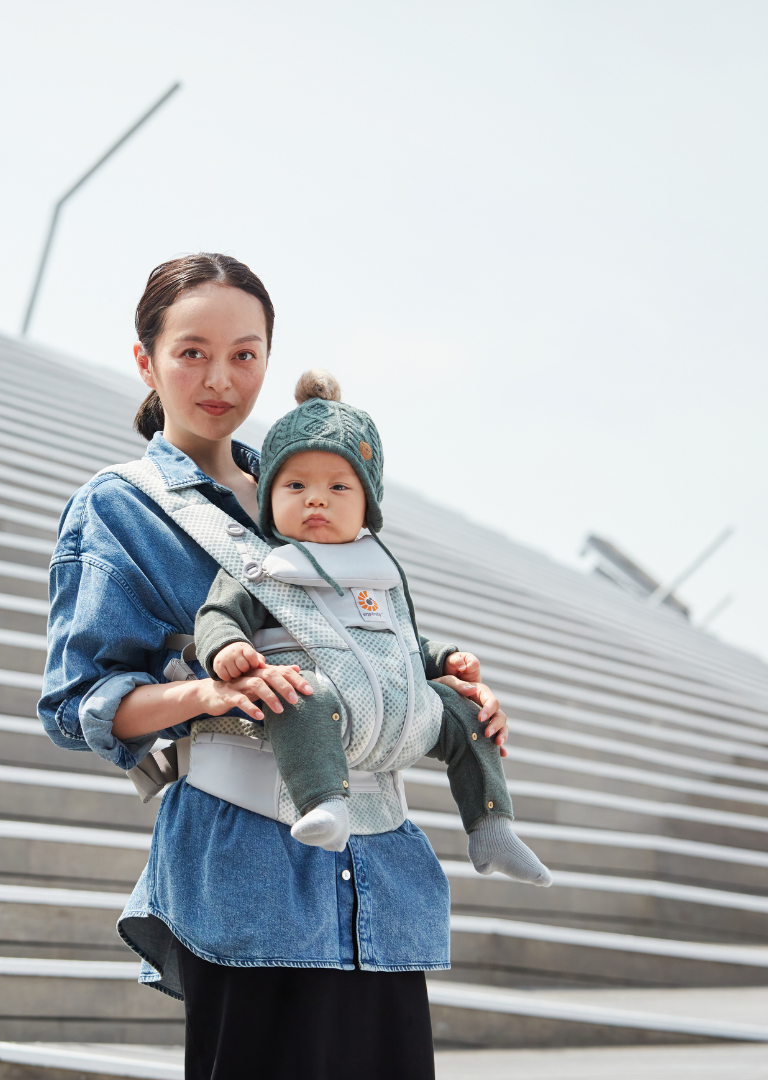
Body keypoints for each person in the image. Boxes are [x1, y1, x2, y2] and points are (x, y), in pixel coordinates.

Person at [38, 253, 516, 1080]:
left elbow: (382, 635)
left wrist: (448, 687)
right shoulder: (120, 507)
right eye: (192, 352)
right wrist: (207, 688)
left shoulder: (315, 480)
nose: (221, 377)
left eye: (245, 353)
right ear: (146, 360)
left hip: (375, 866)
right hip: (247, 866)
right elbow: (77, 701)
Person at [193, 369, 551, 887]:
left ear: (368, 505)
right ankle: (325, 804)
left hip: (404, 717)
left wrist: (444, 660)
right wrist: (226, 646)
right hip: (325, 711)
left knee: (470, 712)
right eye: (295, 485)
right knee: (297, 694)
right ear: (269, 497)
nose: (316, 499)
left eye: (338, 486)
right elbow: (216, 615)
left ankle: (492, 825)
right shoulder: (261, 567)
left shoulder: (379, 574)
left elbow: (404, 643)